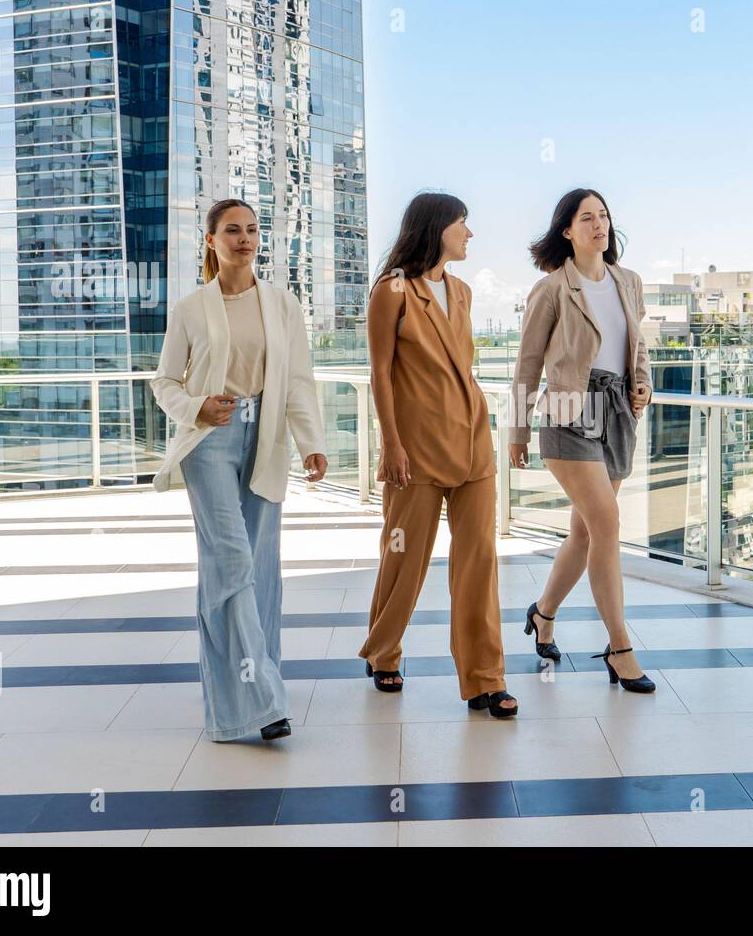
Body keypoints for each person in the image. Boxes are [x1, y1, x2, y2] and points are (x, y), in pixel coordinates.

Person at [151, 198, 328, 741]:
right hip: (210, 442)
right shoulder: (190, 308)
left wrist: (311, 443)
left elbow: (297, 378)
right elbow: (164, 383)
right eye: (232, 231)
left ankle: (246, 696)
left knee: (261, 568)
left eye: (251, 230)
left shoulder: (281, 304)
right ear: (211, 241)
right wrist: (197, 407)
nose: (244, 238)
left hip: (267, 435)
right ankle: (262, 701)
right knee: (230, 561)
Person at [360, 192, 517, 718]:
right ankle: (383, 652)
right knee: (404, 558)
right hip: (417, 449)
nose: (469, 234)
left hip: (473, 443)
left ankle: (484, 680)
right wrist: (392, 444)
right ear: (436, 228)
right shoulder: (392, 291)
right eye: (462, 224)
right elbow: (380, 373)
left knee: (479, 564)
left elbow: (463, 368)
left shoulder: (464, 291)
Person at [509, 188, 656, 693]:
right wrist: (518, 429)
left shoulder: (628, 282)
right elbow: (527, 363)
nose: (600, 224)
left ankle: (543, 613)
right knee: (608, 524)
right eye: (587, 217)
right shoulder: (552, 289)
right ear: (567, 231)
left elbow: (635, 348)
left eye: (605, 216)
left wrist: (643, 384)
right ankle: (619, 647)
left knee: (586, 531)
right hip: (569, 410)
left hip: (616, 411)